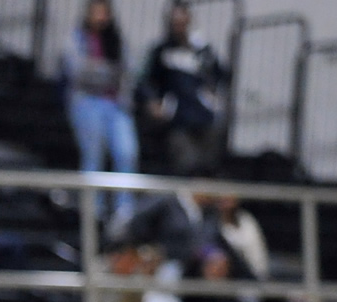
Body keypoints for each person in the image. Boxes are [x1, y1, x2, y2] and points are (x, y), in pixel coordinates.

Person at [64, 0, 139, 218]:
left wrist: (99, 71)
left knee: (127, 153)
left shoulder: (117, 40)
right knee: (93, 156)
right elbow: (76, 70)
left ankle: (124, 211)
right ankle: (92, 210)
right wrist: (108, 73)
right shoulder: (76, 37)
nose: (100, 17)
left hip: (116, 105)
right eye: (96, 12)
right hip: (87, 102)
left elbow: (130, 70)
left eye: (104, 13)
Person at [138, 1, 228, 176]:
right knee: (187, 163)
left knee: (210, 165)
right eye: (175, 22)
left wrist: (214, 95)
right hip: (176, 119)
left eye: (183, 21)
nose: (179, 26)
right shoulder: (161, 51)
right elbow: (145, 81)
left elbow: (221, 75)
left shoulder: (203, 51)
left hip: (204, 117)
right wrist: (152, 102)